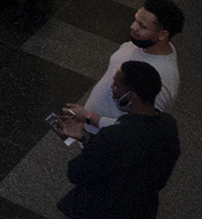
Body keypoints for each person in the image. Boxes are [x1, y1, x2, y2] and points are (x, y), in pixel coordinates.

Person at [56, 61, 181, 219]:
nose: (112, 89)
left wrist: (92, 142)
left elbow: (76, 173)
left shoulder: (115, 136)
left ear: (131, 96)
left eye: (116, 85)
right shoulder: (168, 124)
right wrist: (85, 137)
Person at [61, 0, 183, 133]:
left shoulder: (160, 77)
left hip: (110, 140)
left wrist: (89, 118)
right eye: (136, 19)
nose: (133, 26)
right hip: (92, 129)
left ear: (162, 35)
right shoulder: (140, 44)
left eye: (142, 26)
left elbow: (142, 127)